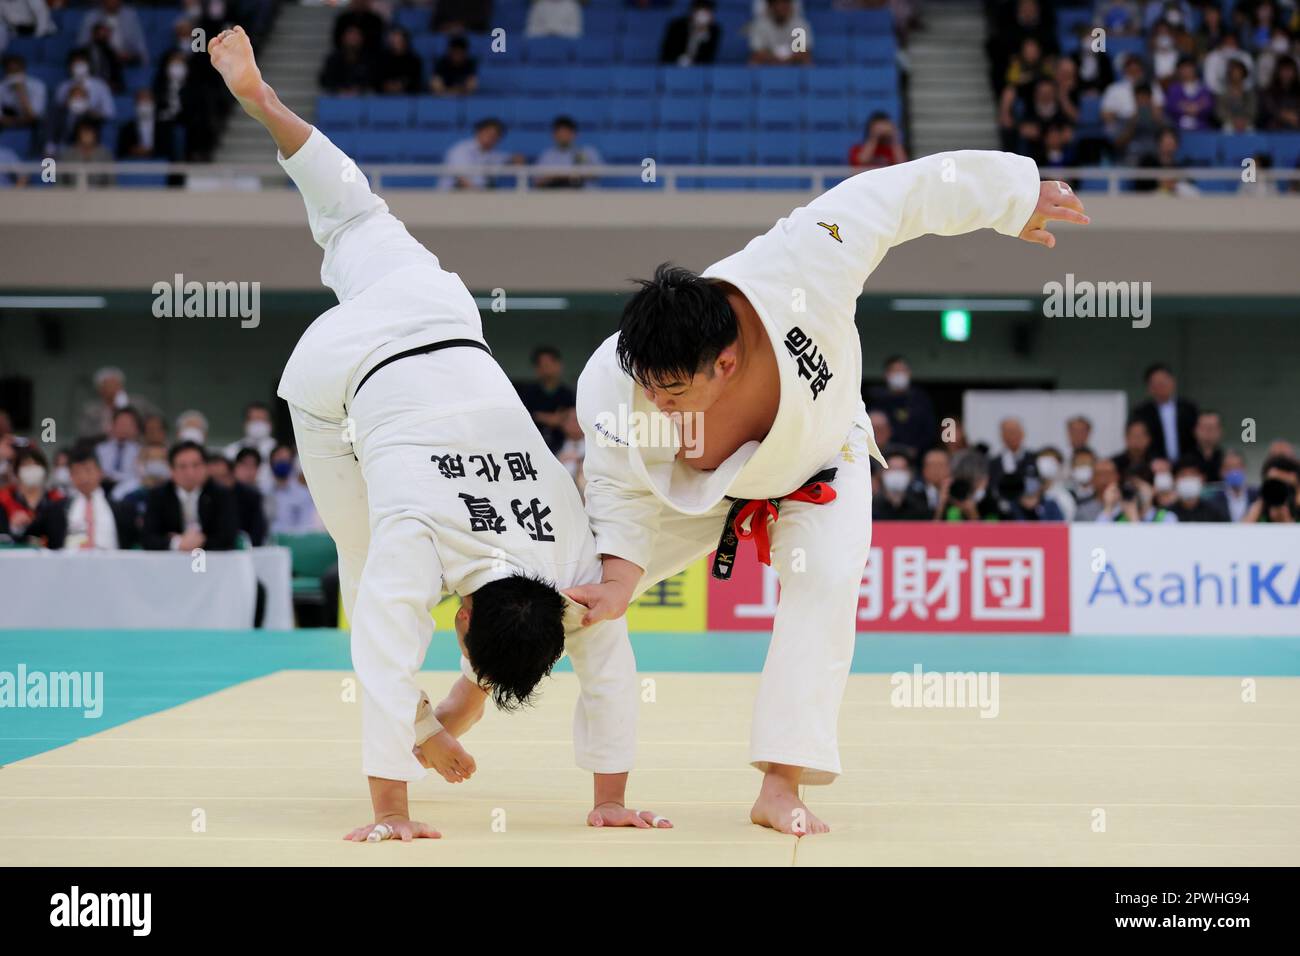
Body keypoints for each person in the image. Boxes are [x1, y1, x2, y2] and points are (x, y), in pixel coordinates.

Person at [206, 25, 665, 840]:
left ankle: (264, 100)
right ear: (459, 624)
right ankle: (439, 717)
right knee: (366, 567)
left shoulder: (572, 569)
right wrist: (395, 809)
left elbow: (597, 663)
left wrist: (605, 793)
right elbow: (386, 659)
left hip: (442, 315)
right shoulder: (424, 547)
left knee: (353, 214)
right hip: (335, 378)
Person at [569, 144, 1086, 834]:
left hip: (819, 458)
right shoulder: (619, 387)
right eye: (648, 386)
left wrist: (1012, 196)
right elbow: (624, 491)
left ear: (725, 362)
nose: (656, 402)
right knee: (579, 587)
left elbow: (902, 192)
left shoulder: (805, 261)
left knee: (828, 578)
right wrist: (619, 578)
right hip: (707, 490)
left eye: (672, 390)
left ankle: (780, 785)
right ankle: (473, 689)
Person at [141, 440, 239, 551]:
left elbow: (228, 536)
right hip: (168, 562)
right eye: (183, 467)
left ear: (206, 467)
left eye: (196, 465)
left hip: (212, 560)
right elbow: (148, 538)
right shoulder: (158, 496)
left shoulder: (222, 495)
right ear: (172, 471)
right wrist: (177, 543)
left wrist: (200, 541)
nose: (190, 473)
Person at [48, 447, 136, 549]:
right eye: (77, 472)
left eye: (88, 470)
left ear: (100, 472)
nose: (84, 477)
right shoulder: (57, 509)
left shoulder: (122, 509)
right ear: (71, 476)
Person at [517, 345, 575, 454]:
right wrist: (545, 418)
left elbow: (574, 417)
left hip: (564, 446)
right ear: (536, 368)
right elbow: (521, 416)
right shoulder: (528, 392)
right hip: (533, 445)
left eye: (549, 364)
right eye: (541, 365)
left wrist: (562, 418)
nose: (546, 368)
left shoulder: (568, 393)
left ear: (559, 365)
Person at [661, 0, 721, 66]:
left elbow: (708, 57)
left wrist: (703, 32)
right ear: (692, 11)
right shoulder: (677, 26)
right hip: (673, 67)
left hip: (698, 70)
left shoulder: (714, 30)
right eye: (700, 12)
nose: (703, 17)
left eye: (708, 13)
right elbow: (667, 52)